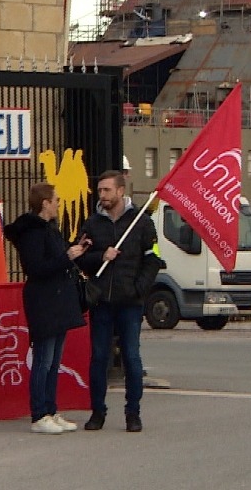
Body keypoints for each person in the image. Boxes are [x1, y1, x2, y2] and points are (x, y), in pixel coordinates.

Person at [73, 169, 163, 433]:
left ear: (121, 191)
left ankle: (132, 413)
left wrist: (139, 289)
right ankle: (97, 412)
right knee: (99, 357)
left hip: (130, 302)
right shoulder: (92, 224)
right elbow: (80, 256)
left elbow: (153, 258)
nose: (102, 195)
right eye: (100, 191)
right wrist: (101, 256)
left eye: (107, 190)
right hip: (101, 301)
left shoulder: (142, 223)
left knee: (131, 357)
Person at [5, 183, 90, 434]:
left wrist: (76, 247)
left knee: (54, 360)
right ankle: (38, 413)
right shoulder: (32, 232)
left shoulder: (50, 228)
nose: (58, 203)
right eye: (56, 200)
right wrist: (67, 257)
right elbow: (36, 268)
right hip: (43, 299)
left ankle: (51, 409)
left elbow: (58, 254)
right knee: (43, 358)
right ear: (45, 203)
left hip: (58, 298)